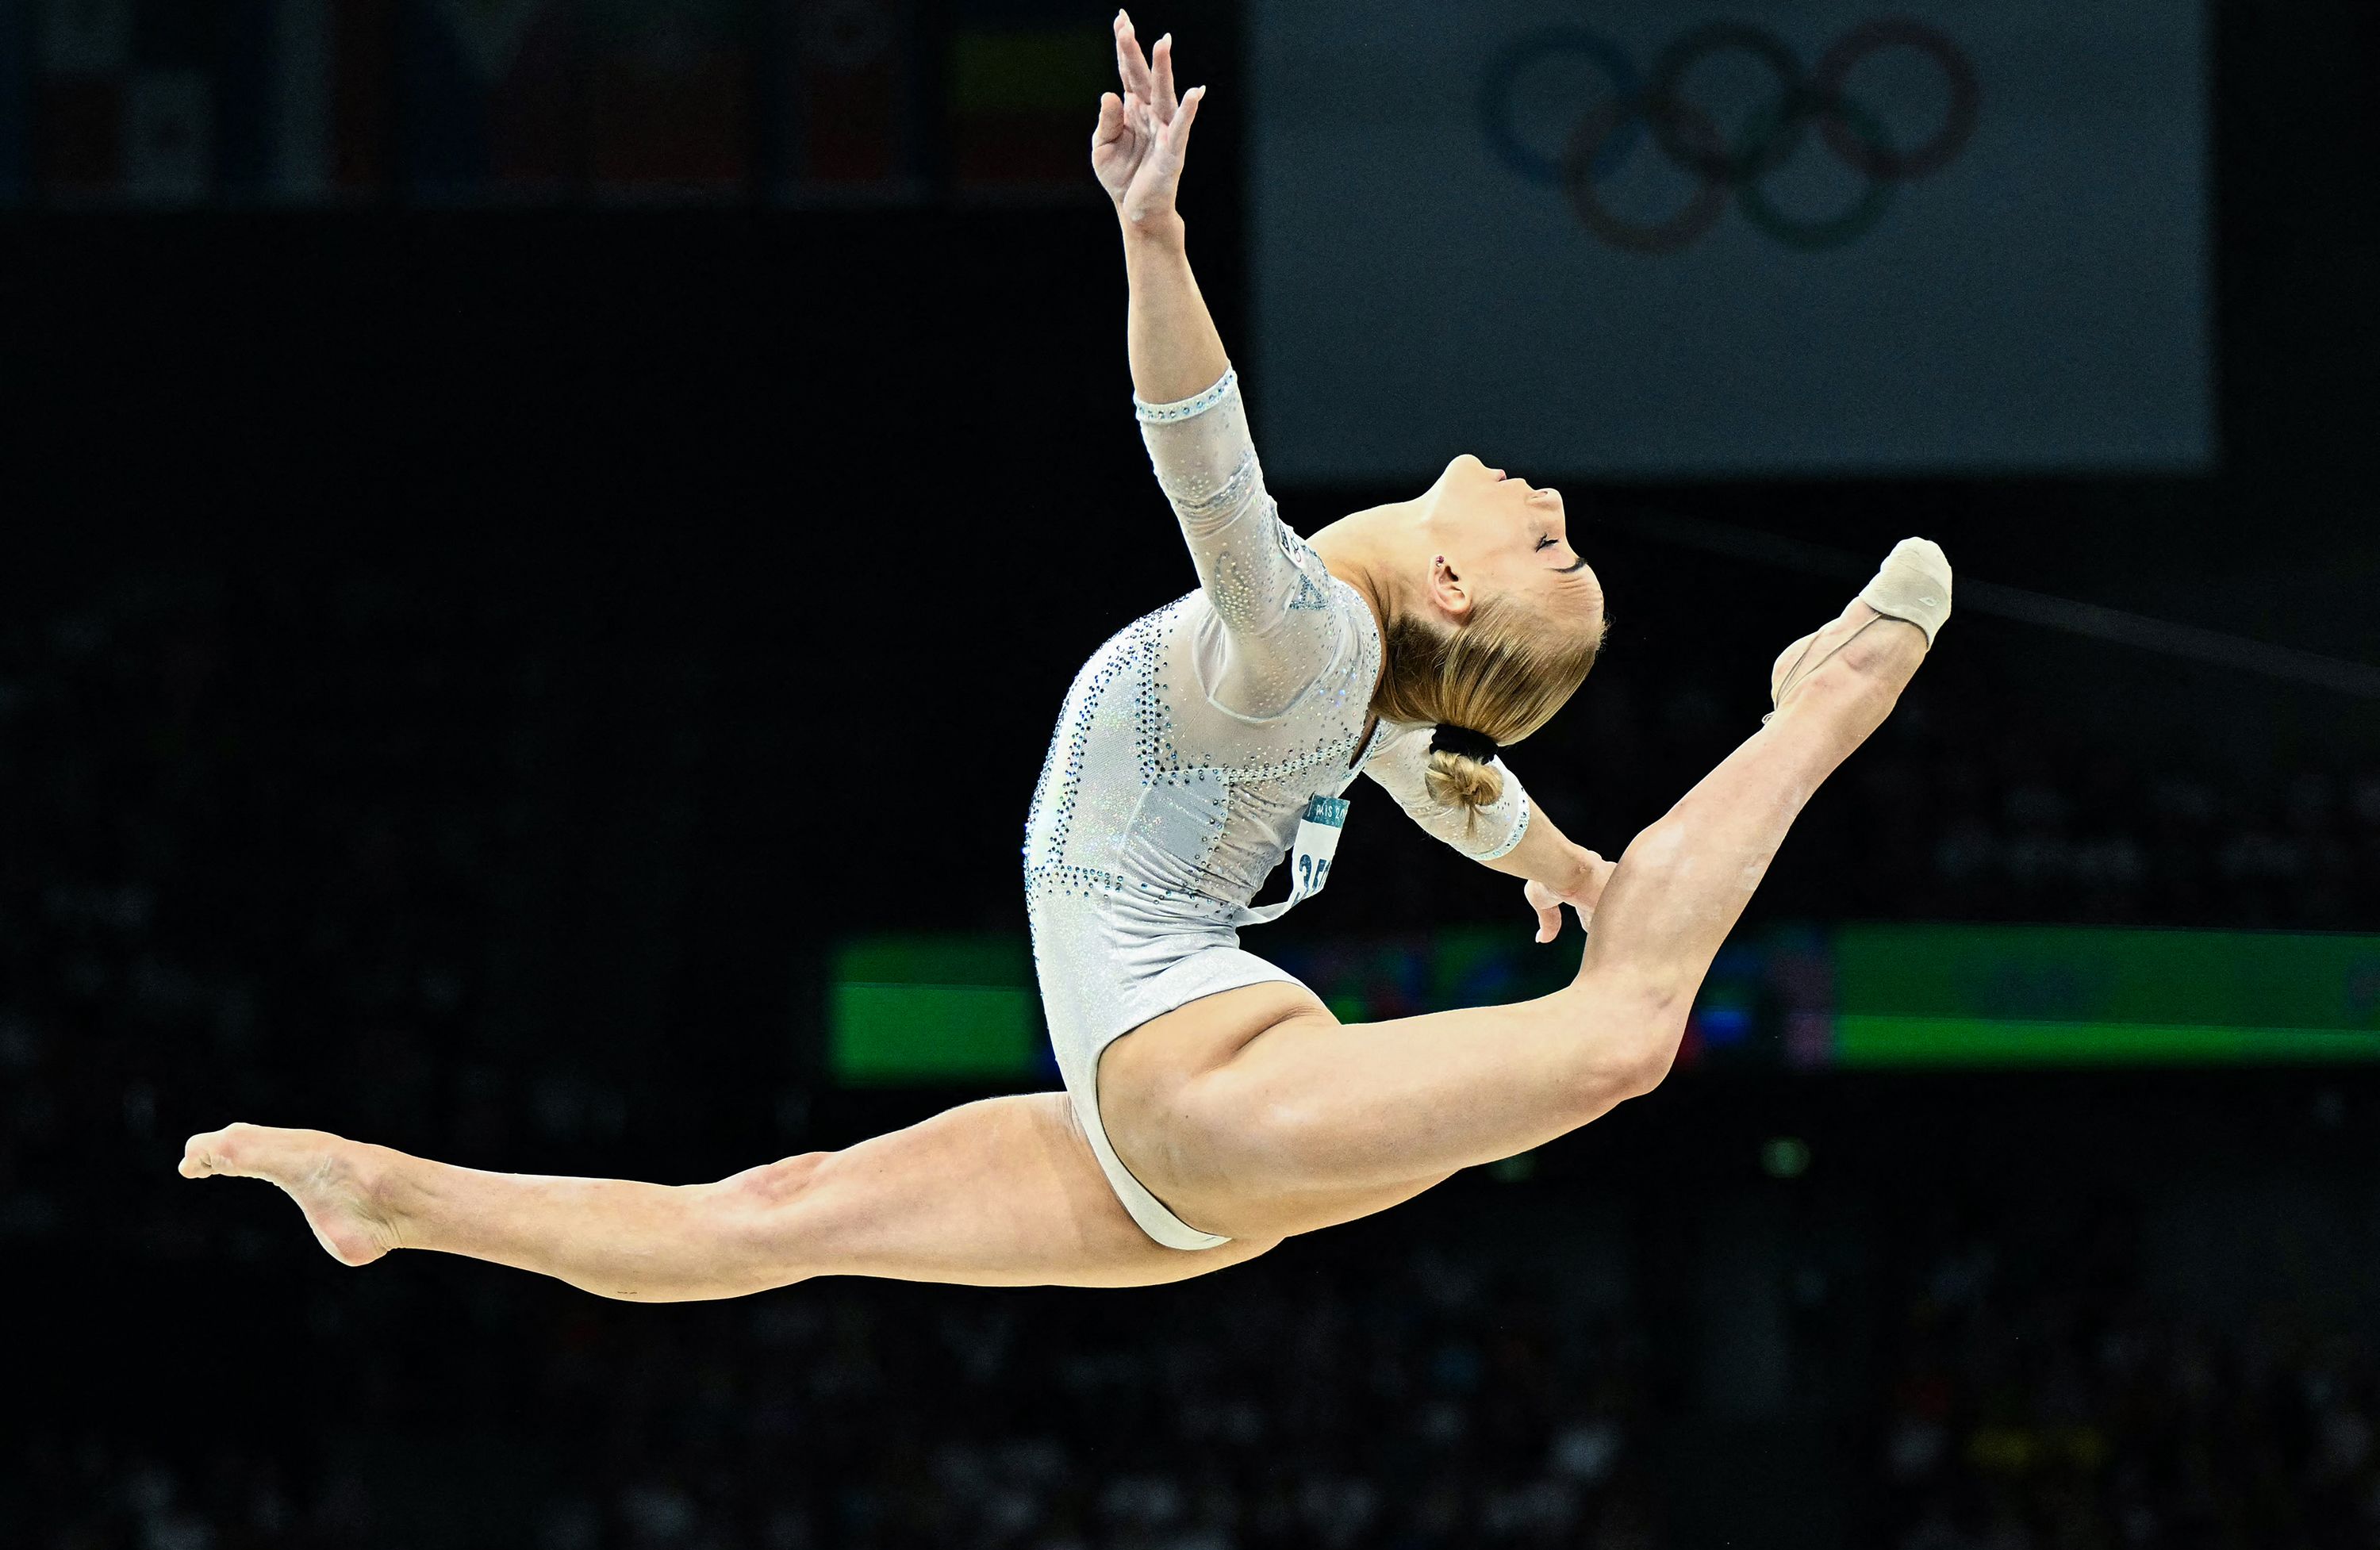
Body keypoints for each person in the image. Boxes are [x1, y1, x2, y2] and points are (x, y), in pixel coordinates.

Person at [180, 13, 1950, 1299]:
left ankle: (1831, 698)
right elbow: (1425, 760)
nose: (1552, 496)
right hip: (1158, 1163)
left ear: (1462, 593)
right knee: (765, 1218)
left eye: (1550, 544)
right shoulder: (1339, 681)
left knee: (1622, 1038)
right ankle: (388, 1193)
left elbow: (1204, 457)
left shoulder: (1299, 630)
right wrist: (1552, 849)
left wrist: (1154, 234)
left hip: (1197, 1097)